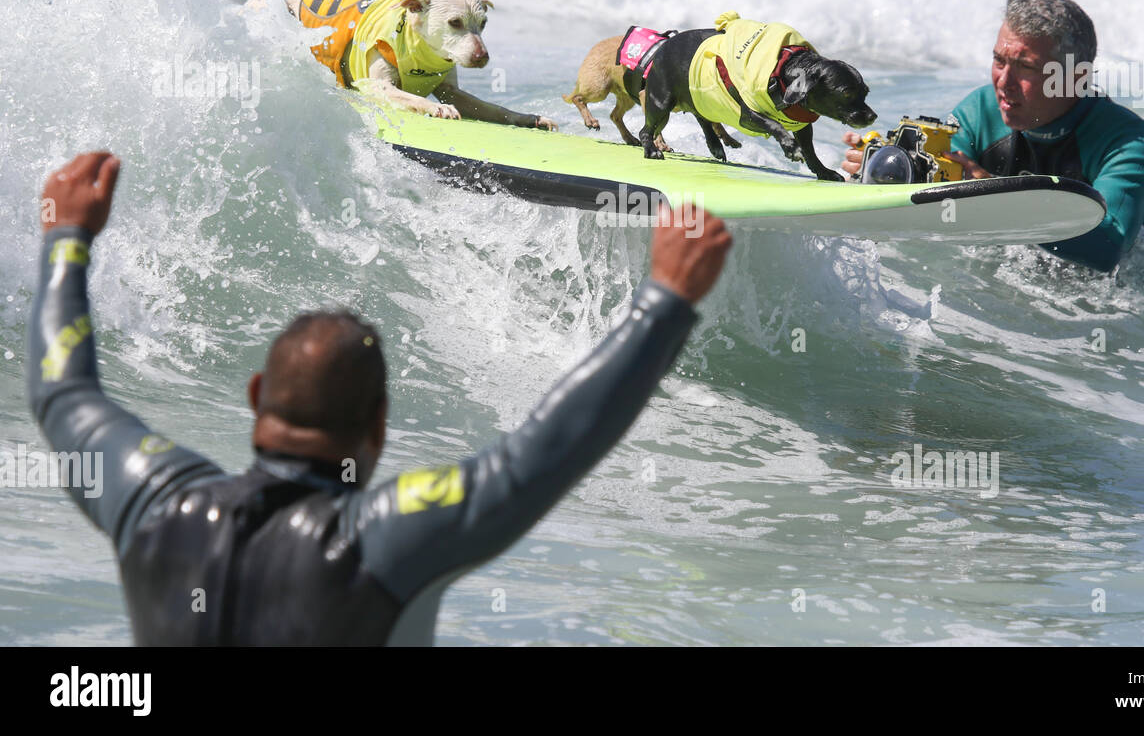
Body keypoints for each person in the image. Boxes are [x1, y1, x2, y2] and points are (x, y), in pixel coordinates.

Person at [28, 151, 731, 645]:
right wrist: (661, 305)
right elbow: (537, 457)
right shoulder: (377, 544)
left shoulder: (156, 503)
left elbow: (62, 390)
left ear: (255, 397)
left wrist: (67, 239)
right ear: (380, 423)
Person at [841, 0, 1144, 272]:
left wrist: (995, 197)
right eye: (998, 61)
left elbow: (1107, 248)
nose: (1003, 83)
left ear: (1076, 78)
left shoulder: (1128, 143)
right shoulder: (981, 110)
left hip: (1100, 313)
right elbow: (939, 167)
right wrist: (883, 165)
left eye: (1026, 68)